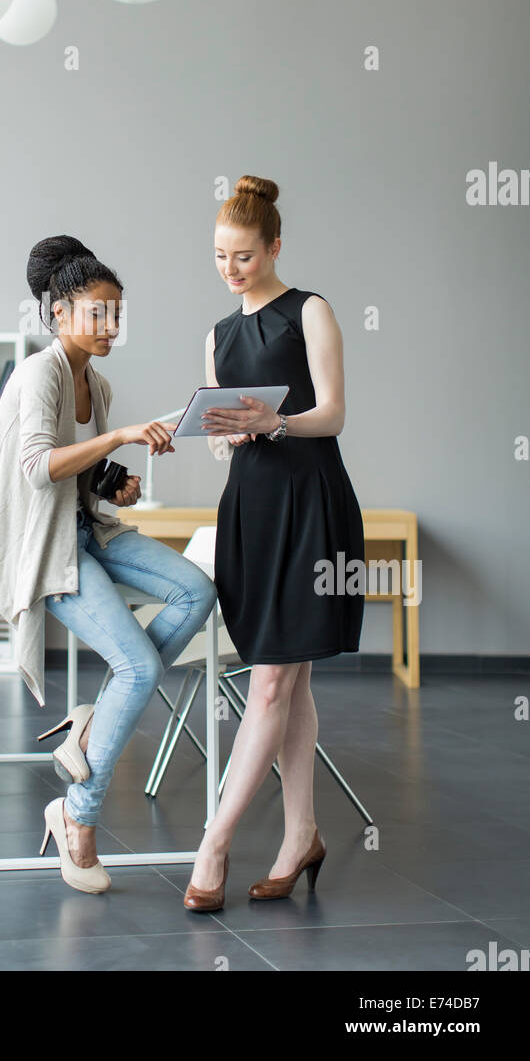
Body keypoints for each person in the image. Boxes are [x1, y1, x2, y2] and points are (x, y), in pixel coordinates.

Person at [0, 236, 218, 893]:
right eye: (96, 313)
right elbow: (35, 466)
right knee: (137, 666)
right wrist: (118, 440)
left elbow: (76, 472)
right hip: (44, 545)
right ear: (58, 315)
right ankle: (77, 816)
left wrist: (112, 483)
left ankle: (98, 718)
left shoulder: (94, 382)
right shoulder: (39, 373)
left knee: (195, 590)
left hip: (85, 529)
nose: (109, 326)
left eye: (116, 314)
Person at [183, 175, 365, 911]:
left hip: (312, 503)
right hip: (251, 509)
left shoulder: (310, 311)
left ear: (275, 247)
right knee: (291, 682)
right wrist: (213, 433)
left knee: (267, 683)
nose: (231, 270)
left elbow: (333, 415)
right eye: (221, 256)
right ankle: (302, 836)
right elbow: (227, 437)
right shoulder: (218, 336)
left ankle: (214, 843)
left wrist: (274, 423)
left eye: (245, 257)